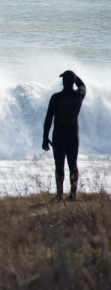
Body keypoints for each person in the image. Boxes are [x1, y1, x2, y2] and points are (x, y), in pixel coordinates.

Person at [42, 70, 86, 201]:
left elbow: (48, 119)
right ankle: (73, 195)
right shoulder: (79, 95)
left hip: (59, 136)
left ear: (63, 82)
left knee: (59, 164)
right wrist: (74, 77)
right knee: (73, 164)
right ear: (73, 82)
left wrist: (45, 138)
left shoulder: (56, 97)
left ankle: (59, 195)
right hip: (73, 135)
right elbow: (82, 85)